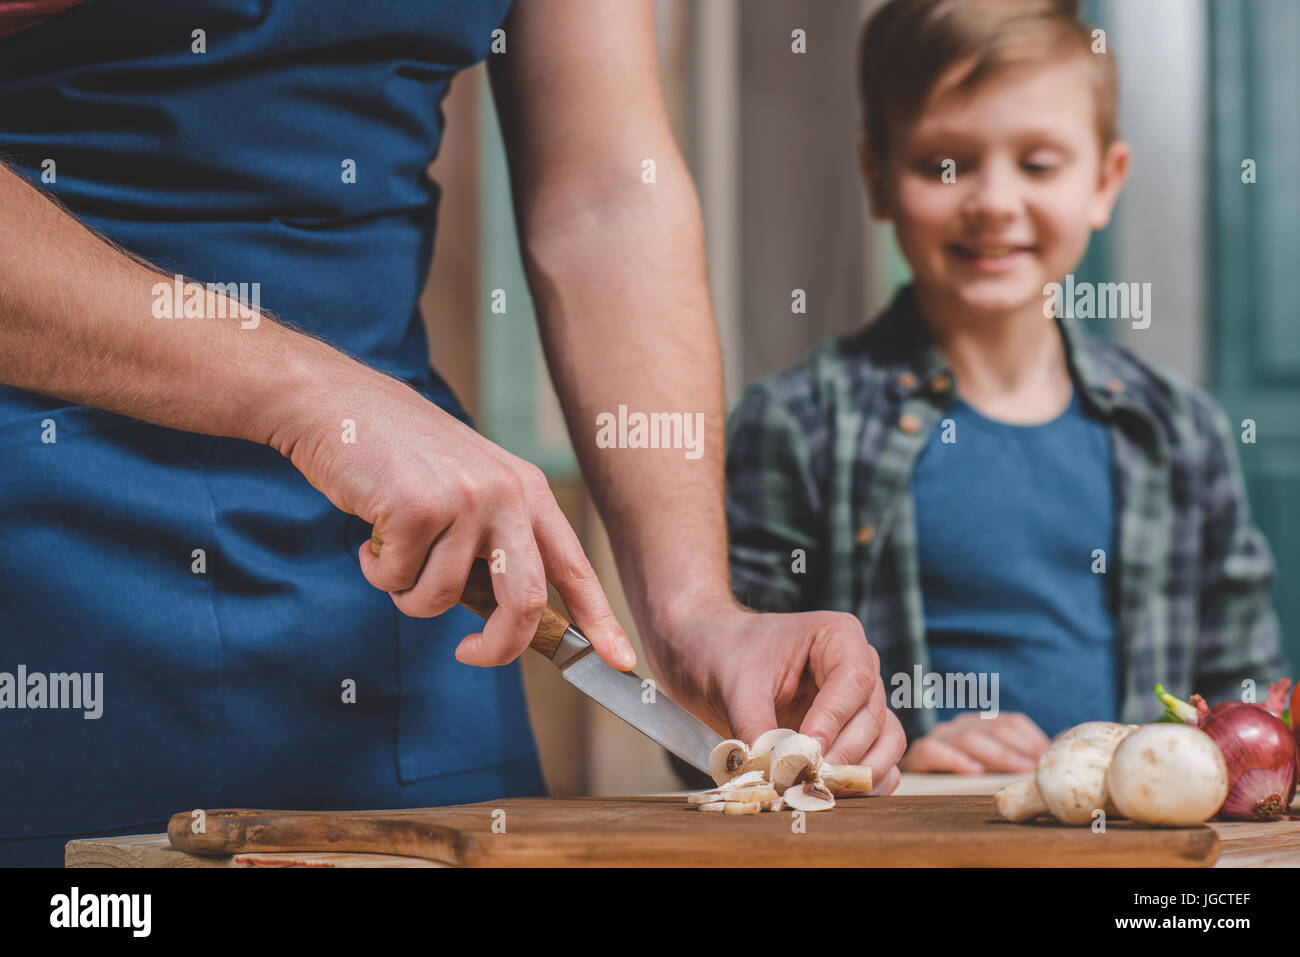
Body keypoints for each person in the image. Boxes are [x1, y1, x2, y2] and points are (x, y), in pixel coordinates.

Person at [0, 0, 904, 867]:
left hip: (413, 591)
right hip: (40, 573)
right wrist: (313, 396)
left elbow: (603, 194)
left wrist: (691, 609)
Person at [725, 0, 1289, 775]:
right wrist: (893, 761)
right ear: (878, 176)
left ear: (1104, 180)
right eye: (942, 165)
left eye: (1037, 163)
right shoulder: (794, 422)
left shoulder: (1181, 430)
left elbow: (1248, 701)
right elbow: (722, 721)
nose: (992, 200)